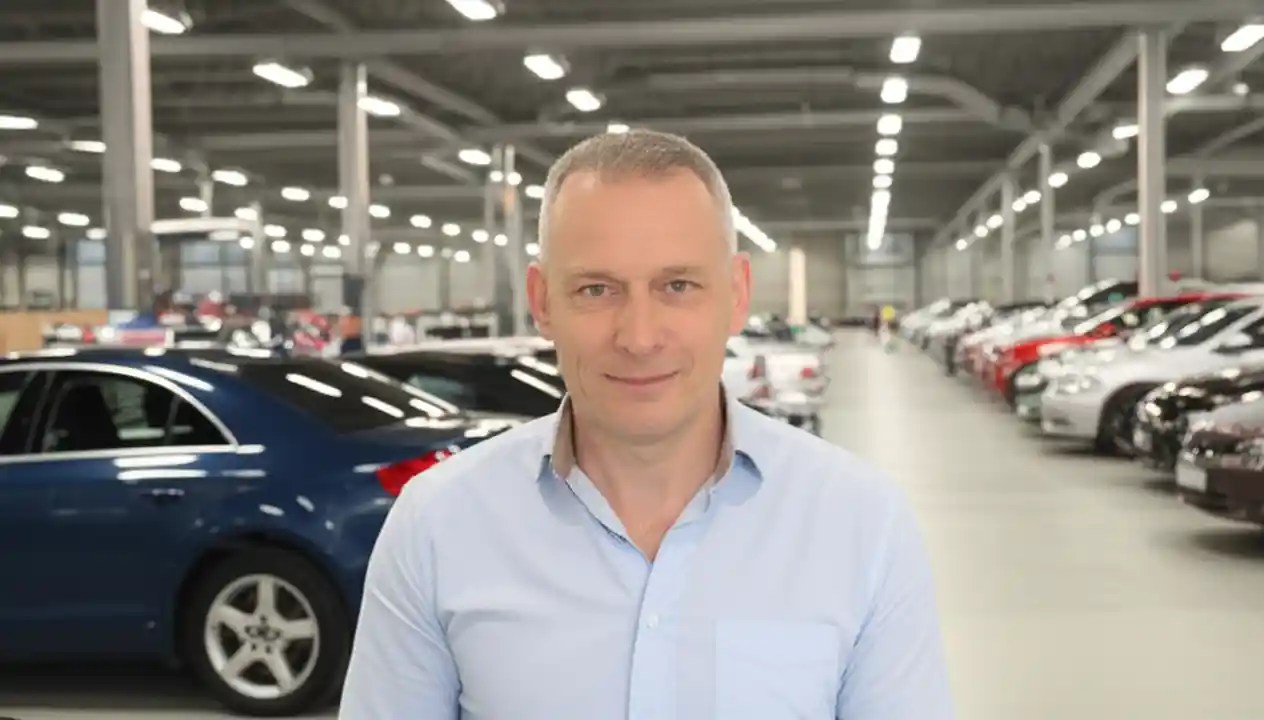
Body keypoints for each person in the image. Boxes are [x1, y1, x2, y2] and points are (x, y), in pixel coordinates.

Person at [339, 130, 953, 719]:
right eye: (596, 290)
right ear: (543, 301)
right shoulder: (437, 526)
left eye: (677, 285)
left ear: (737, 294)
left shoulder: (860, 524)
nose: (638, 337)